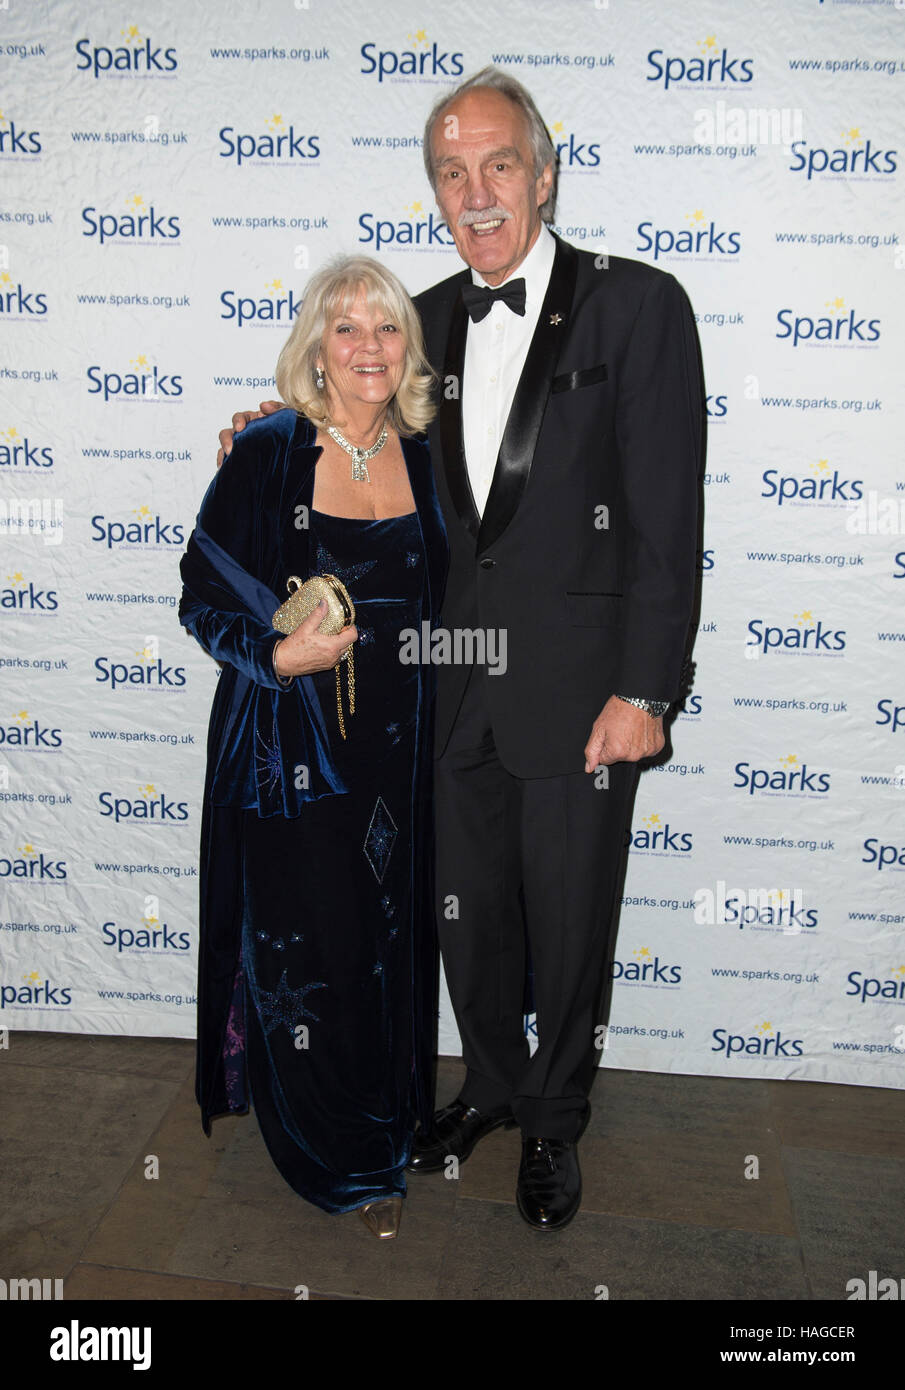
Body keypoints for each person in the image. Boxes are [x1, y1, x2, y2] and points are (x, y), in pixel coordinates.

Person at [218, 67, 704, 1231]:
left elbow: (665, 518)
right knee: (463, 909)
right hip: (441, 691)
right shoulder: (423, 317)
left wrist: (644, 687)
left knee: (572, 913)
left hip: (583, 691)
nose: (475, 191)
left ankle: (555, 1120)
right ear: (433, 189)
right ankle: (489, 1085)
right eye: (450, 171)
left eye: (497, 165)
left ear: (544, 171)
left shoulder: (637, 305)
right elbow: (352, 427)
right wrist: (271, 434)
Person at [180, 254, 448, 1240]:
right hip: (292, 758)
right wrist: (277, 651)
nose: (368, 348)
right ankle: (341, 1157)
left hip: (398, 757)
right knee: (318, 954)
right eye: (346, 329)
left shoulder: (425, 456)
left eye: (385, 330)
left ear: (405, 350)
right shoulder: (272, 453)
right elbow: (201, 594)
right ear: (316, 350)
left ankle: (386, 1123)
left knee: (387, 952)